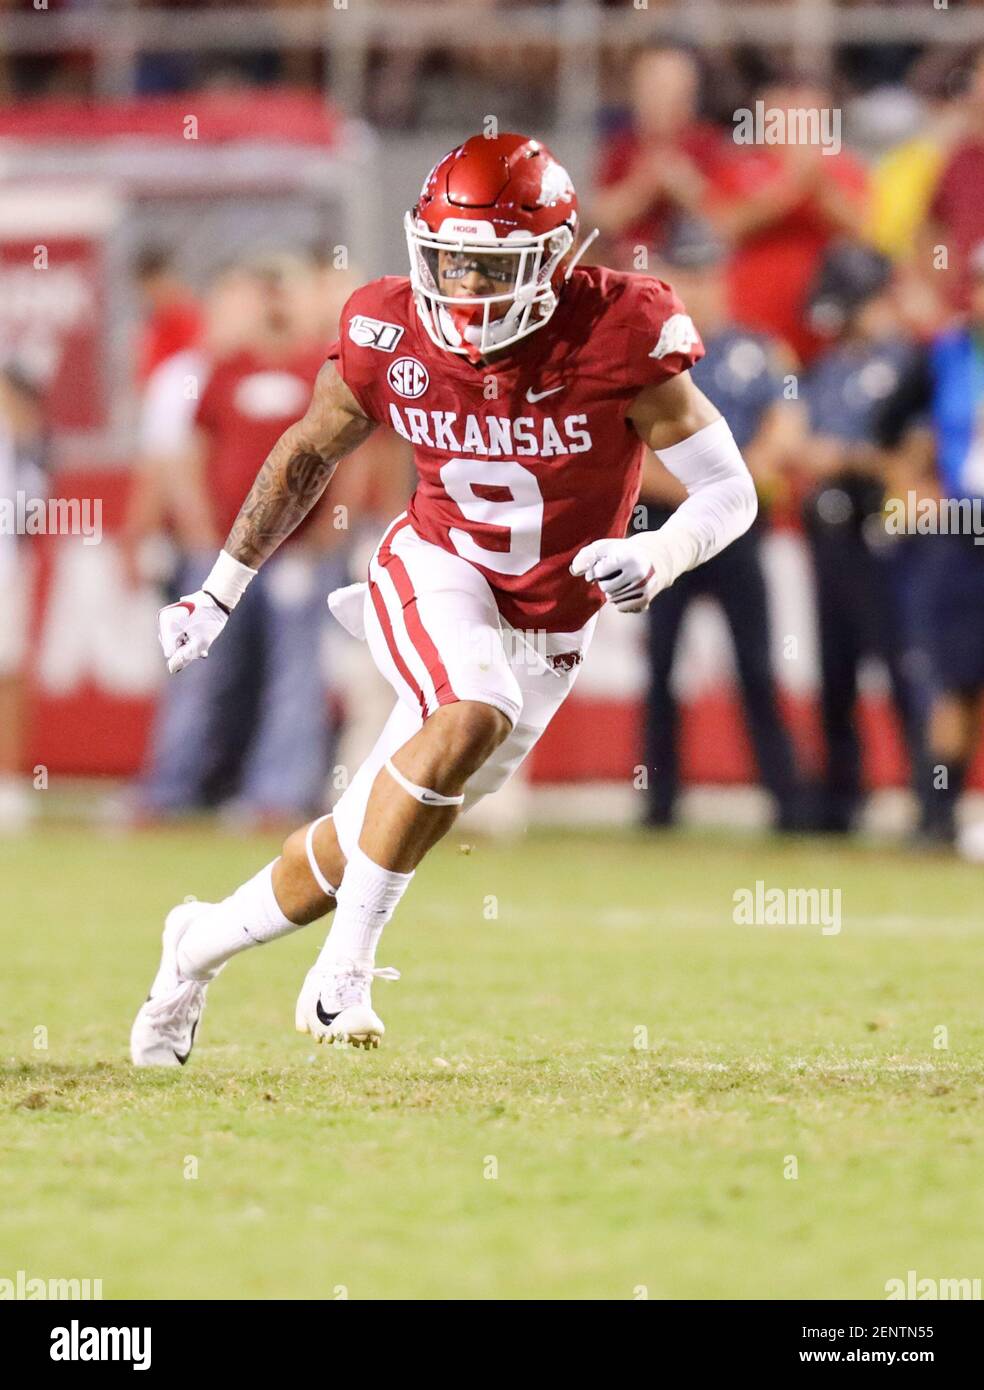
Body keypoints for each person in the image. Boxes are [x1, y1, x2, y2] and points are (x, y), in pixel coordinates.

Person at [130, 133, 758, 1065]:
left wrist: (662, 552)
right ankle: (344, 977)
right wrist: (217, 595)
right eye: (449, 258)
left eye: (488, 264)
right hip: (436, 565)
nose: (462, 286)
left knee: (358, 842)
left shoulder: (619, 330)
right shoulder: (390, 327)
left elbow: (730, 490)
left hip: (547, 624)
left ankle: (195, 947)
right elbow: (308, 452)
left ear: (551, 259)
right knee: (474, 709)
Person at [135, 254, 341, 825]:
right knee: (197, 668)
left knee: (296, 675)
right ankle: (172, 788)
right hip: (227, 552)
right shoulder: (224, 371)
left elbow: (349, 456)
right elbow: (194, 454)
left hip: (295, 550)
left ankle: (277, 793)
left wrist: (327, 534)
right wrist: (202, 533)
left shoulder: (320, 370)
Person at [639, 222, 805, 830]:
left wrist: (732, 488)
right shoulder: (651, 357)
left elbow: (788, 423)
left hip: (735, 532)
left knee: (757, 664)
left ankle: (788, 800)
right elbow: (630, 452)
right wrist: (709, 491)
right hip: (666, 527)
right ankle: (658, 801)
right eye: (687, 275)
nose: (700, 288)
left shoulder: (760, 350)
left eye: (708, 274)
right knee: (660, 666)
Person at [799, 242, 933, 833]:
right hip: (829, 531)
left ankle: (932, 800)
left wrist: (847, 457)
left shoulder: (910, 364)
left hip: (886, 532)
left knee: (904, 668)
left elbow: (914, 455)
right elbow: (798, 444)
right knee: (836, 672)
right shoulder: (828, 367)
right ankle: (839, 802)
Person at [708, 74, 869, 365]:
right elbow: (720, 228)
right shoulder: (741, 167)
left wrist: (821, 189)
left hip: (827, 337)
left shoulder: (842, 169)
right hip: (752, 329)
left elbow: (863, 230)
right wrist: (788, 191)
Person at [916, 241, 984, 847]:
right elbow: (897, 426)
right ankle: (936, 819)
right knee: (956, 681)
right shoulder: (946, 353)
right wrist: (914, 485)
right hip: (965, 535)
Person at [594, 43, 722, 269]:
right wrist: (641, 189)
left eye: (673, 91)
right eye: (655, 89)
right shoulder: (621, 147)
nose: (664, 100)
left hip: (693, 271)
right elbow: (599, 220)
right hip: (629, 270)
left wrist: (685, 186)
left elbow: (728, 222)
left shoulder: (708, 144)